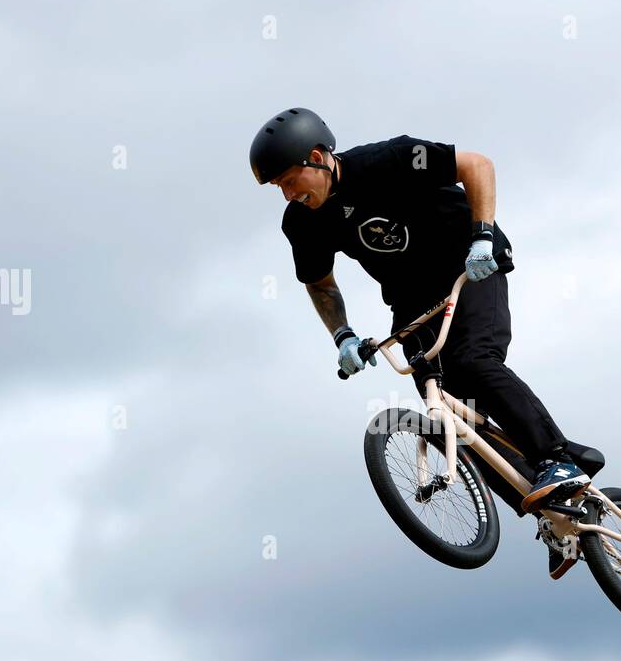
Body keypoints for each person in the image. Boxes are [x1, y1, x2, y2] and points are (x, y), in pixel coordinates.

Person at [250, 108, 590, 576]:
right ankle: (552, 515)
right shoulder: (303, 222)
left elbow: (477, 165)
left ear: (318, 158)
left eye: (291, 180)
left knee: (472, 361)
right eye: (280, 189)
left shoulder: (390, 160)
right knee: (446, 414)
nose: (289, 194)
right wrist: (343, 336)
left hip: (468, 268)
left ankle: (558, 460)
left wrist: (484, 237)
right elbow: (320, 283)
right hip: (412, 304)